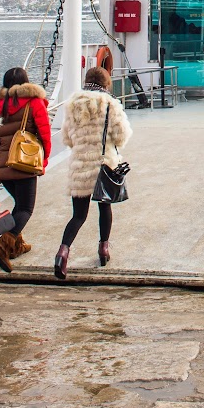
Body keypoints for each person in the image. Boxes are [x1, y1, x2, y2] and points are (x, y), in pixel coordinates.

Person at [54, 66, 132, 279]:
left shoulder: (73, 104)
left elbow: (67, 138)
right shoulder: (110, 104)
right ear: (106, 82)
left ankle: (62, 253)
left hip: (80, 166)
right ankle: (103, 249)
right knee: (104, 207)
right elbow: (121, 136)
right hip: (104, 164)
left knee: (78, 215)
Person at [0, 66, 51, 273]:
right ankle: (2, 247)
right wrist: (45, 159)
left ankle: (17, 246)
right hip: (24, 163)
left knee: (19, 205)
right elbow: (45, 133)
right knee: (26, 209)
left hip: (3, 166)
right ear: (26, 83)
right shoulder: (34, 103)